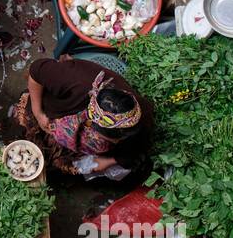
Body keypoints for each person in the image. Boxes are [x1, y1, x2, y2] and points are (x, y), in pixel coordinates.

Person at [15, 56, 153, 184]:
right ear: (93, 122)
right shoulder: (74, 81)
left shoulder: (141, 113)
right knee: (34, 129)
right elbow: (36, 69)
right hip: (56, 109)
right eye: (113, 138)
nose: (117, 142)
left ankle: (59, 164)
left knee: (66, 162)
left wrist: (110, 161)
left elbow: (137, 147)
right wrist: (38, 113)